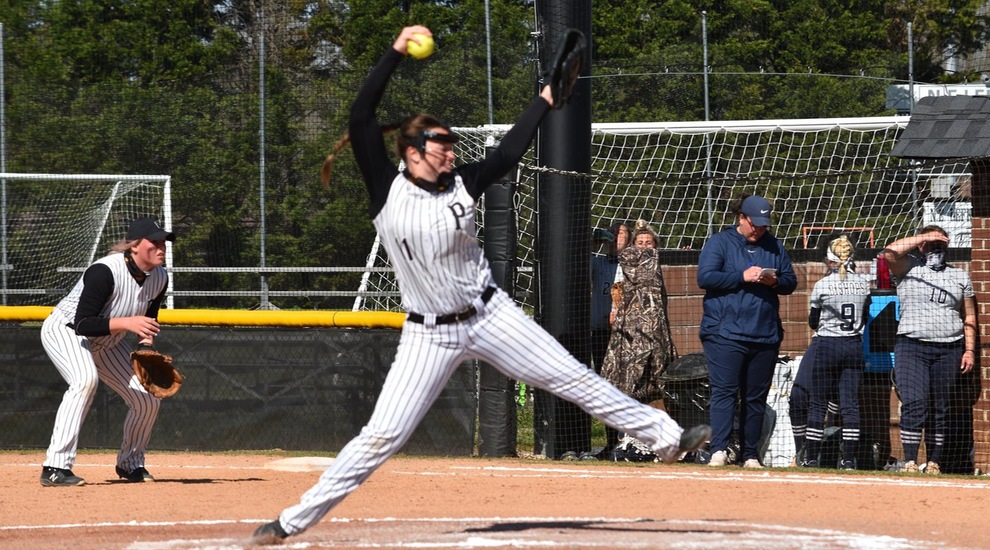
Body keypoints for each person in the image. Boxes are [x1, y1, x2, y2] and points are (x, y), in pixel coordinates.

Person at [251, 25, 711, 544]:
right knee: (382, 435)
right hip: (428, 335)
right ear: (411, 153)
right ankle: (290, 522)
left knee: (573, 379)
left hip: (490, 316)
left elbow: (509, 153)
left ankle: (668, 438)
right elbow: (360, 116)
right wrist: (394, 51)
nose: (450, 153)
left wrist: (544, 99)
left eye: (450, 146)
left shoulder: (462, 185)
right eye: (440, 146)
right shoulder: (385, 188)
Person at [39, 217, 175, 487]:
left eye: (164, 242)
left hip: (108, 342)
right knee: (84, 380)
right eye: (155, 242)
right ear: (135, 246)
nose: (162, 247)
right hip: (66, 332)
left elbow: (147, 320)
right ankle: (55, 466)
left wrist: (145, 349)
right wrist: (127, 323)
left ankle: (130, 464)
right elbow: (83, 323)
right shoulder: (105, 271)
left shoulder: (159, 277)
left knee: (147, 399)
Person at [697, 192, 797, 468]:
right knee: (724, 392)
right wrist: (741, 276)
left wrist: (773, 281)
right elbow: (705, 277)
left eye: (764, 225)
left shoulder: (775, 246)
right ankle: (719, 449)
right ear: (742, 218)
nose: (759, 230)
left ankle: (750, 454)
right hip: (724, 333)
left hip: (764, 334)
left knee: (755, 397)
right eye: (754, 224)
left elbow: (790, 281)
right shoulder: (719, 243)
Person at [882, 225, 976, 474]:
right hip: (913, 346)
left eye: (940, 244)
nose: (935, 249)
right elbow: (889, 253)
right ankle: (911, 461)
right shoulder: (909, 268)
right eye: (930, 244)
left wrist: (969, 350)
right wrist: (925, 237)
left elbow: (969, 315)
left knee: (939, 406)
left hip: (949, 348)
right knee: (914, 402)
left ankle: (934, 462)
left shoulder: (959, 276)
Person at [599, 219, 677, 460]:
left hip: (655, 332)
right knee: (624, 383)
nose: (644, 247)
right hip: (631, 334)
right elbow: (630, 258)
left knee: (656, 385)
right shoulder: (630, 260)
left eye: (649, 242)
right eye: (640, 242)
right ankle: (620, 441)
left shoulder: (656, 263)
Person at [800, 235, 871, 470]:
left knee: (818, 403)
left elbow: (813, 321)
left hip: (828, 345)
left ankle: (811, 457)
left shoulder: (822, 285)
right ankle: (849, 459)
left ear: (830, 259)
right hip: (853, 345)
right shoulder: (863, 283)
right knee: (850, 405)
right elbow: (866, 312)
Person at [591, 221, 629, 374]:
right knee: (602, 372)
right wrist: (594, 246)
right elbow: (580, 269)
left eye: (620, 233)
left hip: (626, 329)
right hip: (601, 328)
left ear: (629, 239)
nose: (614, 235)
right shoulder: (599, 262)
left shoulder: (632, 265)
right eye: (611, 232)